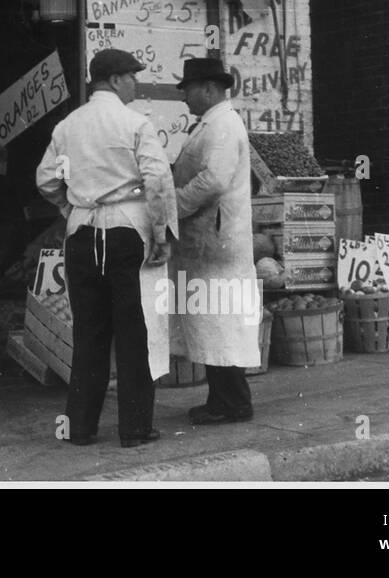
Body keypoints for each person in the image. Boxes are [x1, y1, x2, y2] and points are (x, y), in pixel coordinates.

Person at [36, 49, 178, 448]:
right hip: (126, 232)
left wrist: (72, 206)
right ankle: (134, 429)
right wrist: (162, 236)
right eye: (133, 76)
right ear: (115, 80)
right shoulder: (135, 123)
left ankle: (80, 427)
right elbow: (157, 182)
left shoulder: (67, 126)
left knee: (89, 334)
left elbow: (46, 179)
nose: (137, 83)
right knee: (135, 333)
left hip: (81, 233)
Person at [171, 57, 261, 425]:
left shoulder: (223, 124)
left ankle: (234, 403)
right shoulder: (213, 123)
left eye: (189, 90)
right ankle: (222, 399)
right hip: (212, 241)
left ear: (208, 88)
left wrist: (173, 205)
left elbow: (215, 180)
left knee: (220, 323)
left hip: (218, 242)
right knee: (213, 323)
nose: (185, 98)